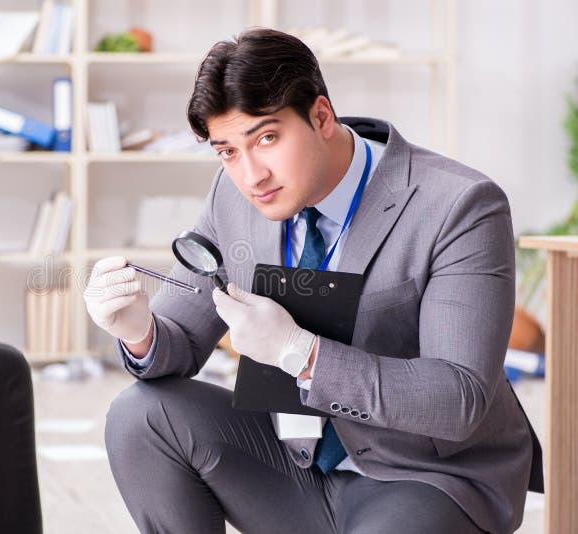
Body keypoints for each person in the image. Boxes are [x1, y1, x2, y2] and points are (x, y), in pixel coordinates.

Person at [83, 28, 541, 534]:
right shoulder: (234, 196)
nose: (251, 175)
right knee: (139, 416)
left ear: (321, 116)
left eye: (266, 138)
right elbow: (180, 338)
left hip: (425, 476)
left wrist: (301, 353)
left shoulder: (459, 205)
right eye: (227, 151)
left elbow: (458, 399)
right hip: (291, 468)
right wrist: (138, 331)